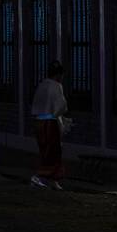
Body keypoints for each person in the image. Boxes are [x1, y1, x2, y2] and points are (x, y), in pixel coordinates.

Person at [30, 61, 68, 190]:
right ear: (59, 75)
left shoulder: (42, 85)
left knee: (44, 150)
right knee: (53, 151)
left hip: (39, 122)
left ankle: (52, 180)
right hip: (50, 123)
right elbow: (61, 106)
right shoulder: (57, 86)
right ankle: (40, 176)